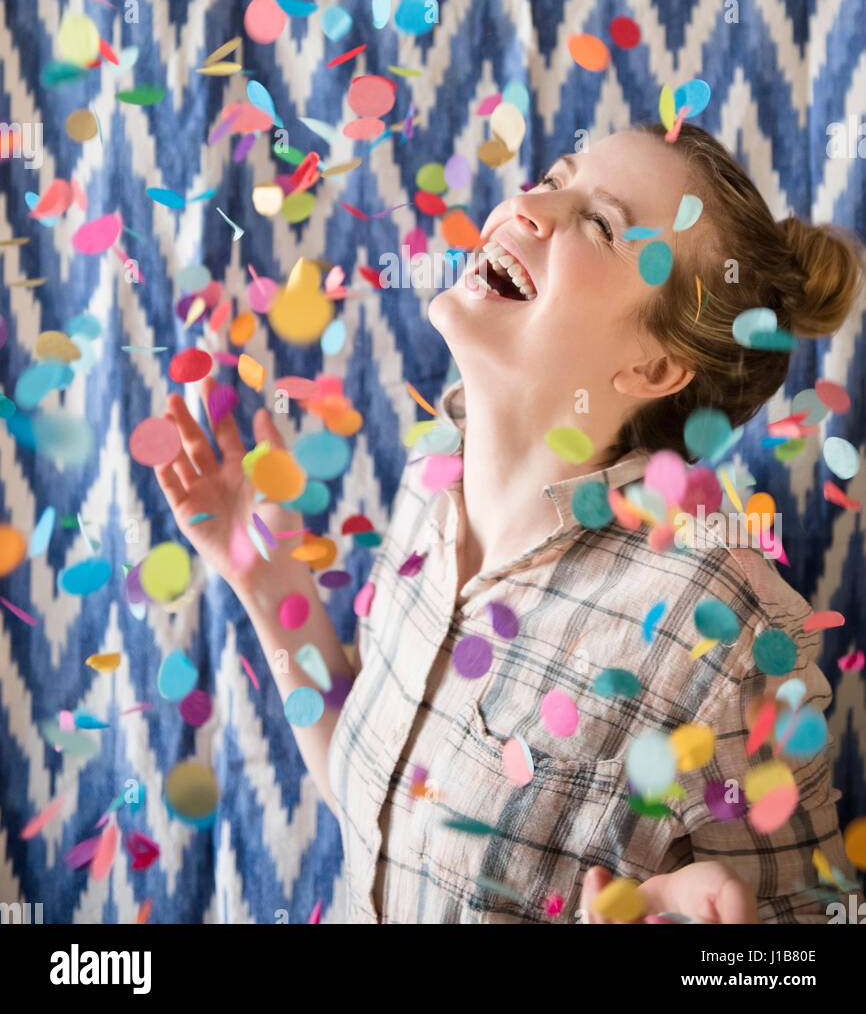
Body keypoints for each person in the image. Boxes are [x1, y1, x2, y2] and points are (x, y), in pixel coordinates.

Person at [153, 121, 865, 924]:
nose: (528, 204)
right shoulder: (432, 481)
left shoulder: (726, 633)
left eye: (599, 223)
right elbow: (383, 806)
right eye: (553, 175)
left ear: (654, 367)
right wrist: (266, 574)